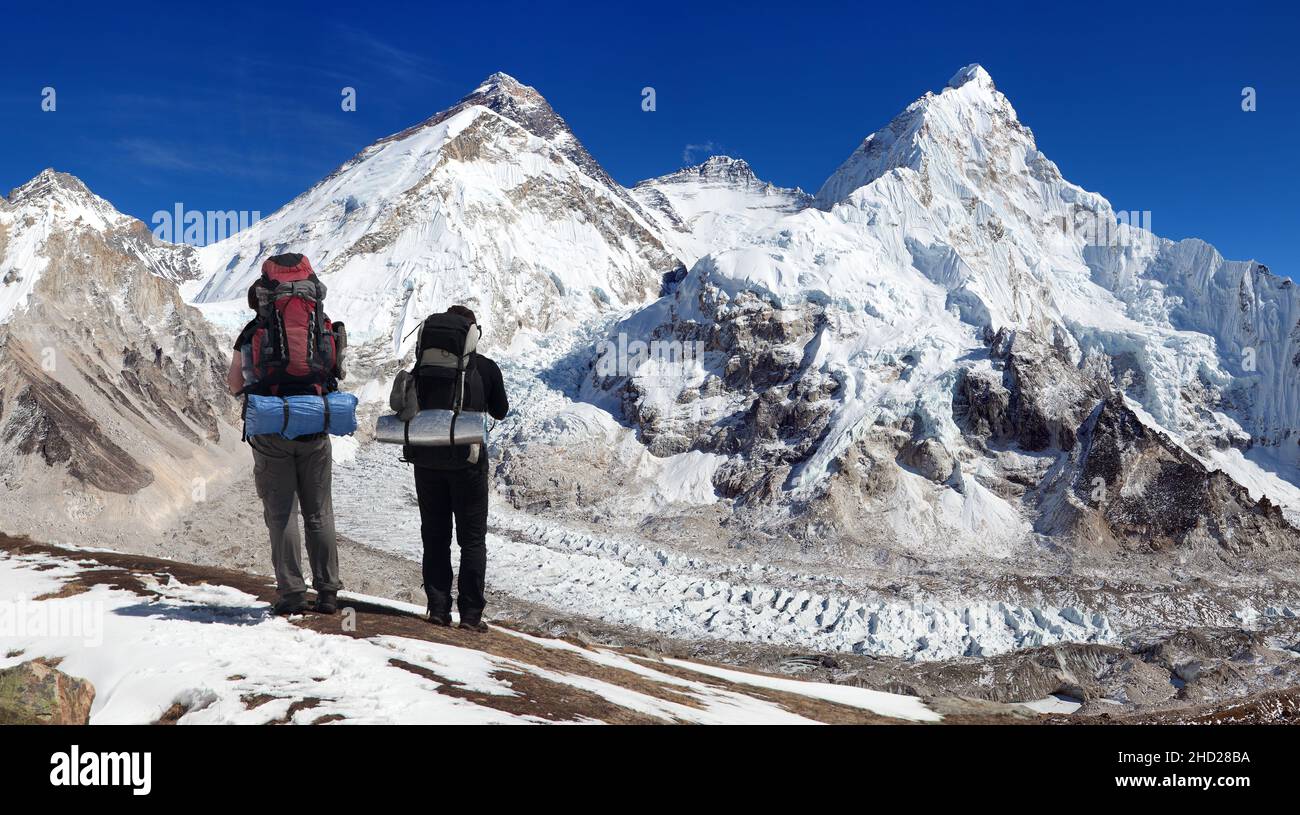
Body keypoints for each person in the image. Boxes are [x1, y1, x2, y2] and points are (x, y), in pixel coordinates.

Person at [227, 252, 343, 616]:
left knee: (281, 514)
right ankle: (327, 593)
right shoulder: (322, 324)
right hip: (314, 427)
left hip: (271, 429)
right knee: (319, 512)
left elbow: (234, 384)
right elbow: (337, 371)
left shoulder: (253, 332)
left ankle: (292, 593)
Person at [407, 305, 509, 631]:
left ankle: (437, 609)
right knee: (472, 540)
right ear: (471, 335)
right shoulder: (487, 369)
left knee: (435, 536)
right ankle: (470, 616)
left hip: (426, 461)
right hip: (468, 463)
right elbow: (501, 411)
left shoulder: (422, 367)